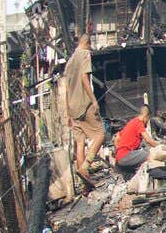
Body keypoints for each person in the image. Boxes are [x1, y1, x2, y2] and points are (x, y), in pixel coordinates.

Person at [60, 34, 104, 187]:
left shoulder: (70, 61)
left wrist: (67, 113)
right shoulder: (84, 54)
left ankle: (85, 184)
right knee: (100, 134)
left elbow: (65, 89)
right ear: (87, 43)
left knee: (80, 144)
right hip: (84, 105)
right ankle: (85, 167)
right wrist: (93, 100)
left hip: (72, 109)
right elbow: (85, 78)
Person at [114, 105, 157, 171]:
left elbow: (117, 138)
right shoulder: (139, 123)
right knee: (150, 155)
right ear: (146, 116)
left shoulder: (132, 122)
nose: (147, 121)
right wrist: (160, 147)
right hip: (126, 155)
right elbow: (148, 140)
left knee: (143, 153)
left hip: (119, 158)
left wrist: (118, 153)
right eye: (148, 119)